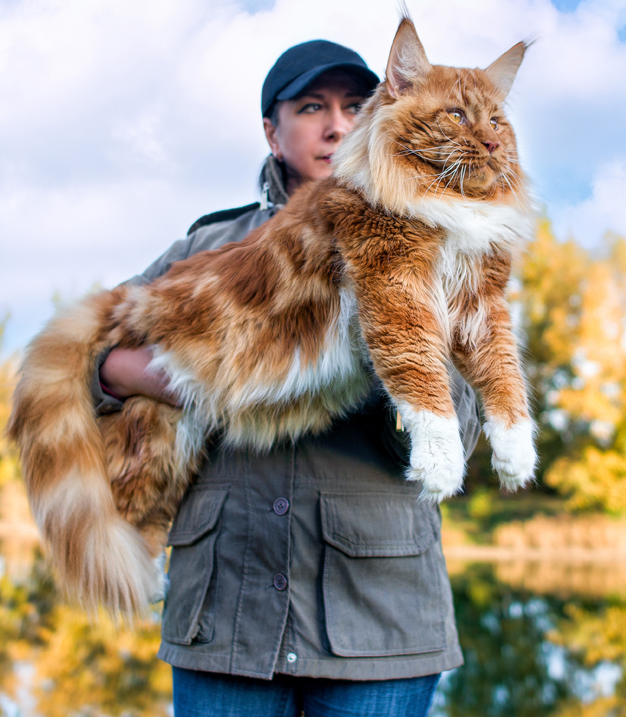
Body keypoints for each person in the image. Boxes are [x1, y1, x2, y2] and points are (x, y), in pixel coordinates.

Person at [93, 39, 481, 717]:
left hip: (380, 627)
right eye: (311, 107)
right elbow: (89, 357)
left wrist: (385, 356)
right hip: (223, 620)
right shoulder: (205, 248)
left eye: (357, 106)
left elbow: (465, 431)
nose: (336, 124)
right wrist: (194, 382)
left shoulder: (437, 242)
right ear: (273, 132)